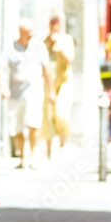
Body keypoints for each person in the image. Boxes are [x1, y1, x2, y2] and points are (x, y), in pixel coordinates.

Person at [0, 18, 53, 168]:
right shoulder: (10, 48)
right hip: (15, 95)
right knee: (16, 127)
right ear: (21, 32)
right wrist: (3, 87)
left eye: (31, 31)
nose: (31, 34)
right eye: (28, 32)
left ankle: (32, 155)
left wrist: (51, 91)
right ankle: (23, 157)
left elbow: (47, 71)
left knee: (34, 124)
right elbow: (1, 68)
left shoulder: (39, 47)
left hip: (34, 93)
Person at [42, 15, 75, 157]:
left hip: (64, 81)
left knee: (61, 113)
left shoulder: (66, 40)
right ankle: (48, 150)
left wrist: (59, 47)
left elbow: (70, 58)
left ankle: (62, 144)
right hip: (48, 82)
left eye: (56, 25)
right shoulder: (44, 41)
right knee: (48, 115)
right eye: (51, 25)